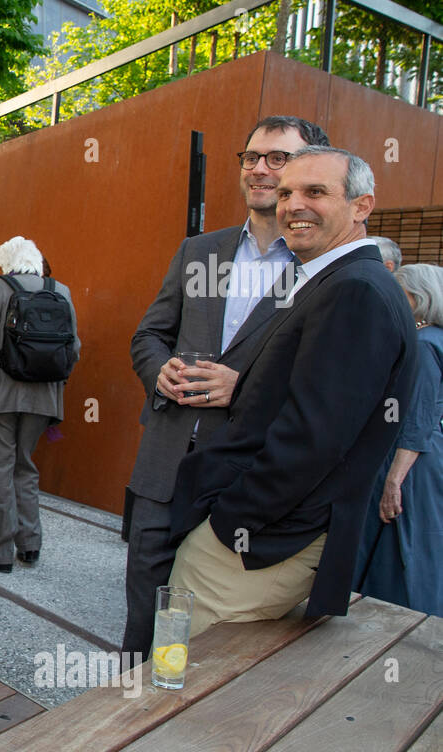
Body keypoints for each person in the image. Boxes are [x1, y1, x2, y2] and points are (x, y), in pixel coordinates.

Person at [167, 146, 417, 635]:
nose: (292, 205)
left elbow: (312, 438)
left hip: (260, 542)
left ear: (361, 206)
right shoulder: (329, 279)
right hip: (263, 535)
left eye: (315, 192)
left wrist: (231, 521)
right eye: (285, 193)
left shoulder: (355, 290)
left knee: (187, 687)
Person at [123, 115, 329, 661]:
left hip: (241, 479)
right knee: (143, 616)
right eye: (251, 157)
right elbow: (149, 334)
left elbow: (324, 385)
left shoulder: (321, 271)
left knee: (211, 635)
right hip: (165, 462)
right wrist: (158, 368)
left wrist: (246, 388)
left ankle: (184, 731)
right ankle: (123, 725)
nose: (260, 169)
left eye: (278, 158)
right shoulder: (200, 251)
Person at [0, 236, 80, 572]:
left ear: (6, 261)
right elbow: (73, 348)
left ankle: (0, 550)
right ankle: (31, 544)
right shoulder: (60, 290)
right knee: (25, 465)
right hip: (44, 395)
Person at [354, 264, 443, 616]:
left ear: (417, 298)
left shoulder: (422, 344)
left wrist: (394, 479)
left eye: (400, 292)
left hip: (410, 462)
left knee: (402, 543)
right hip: (427, 456)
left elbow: (417, 418)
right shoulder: (434, 338)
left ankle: (398, 624)